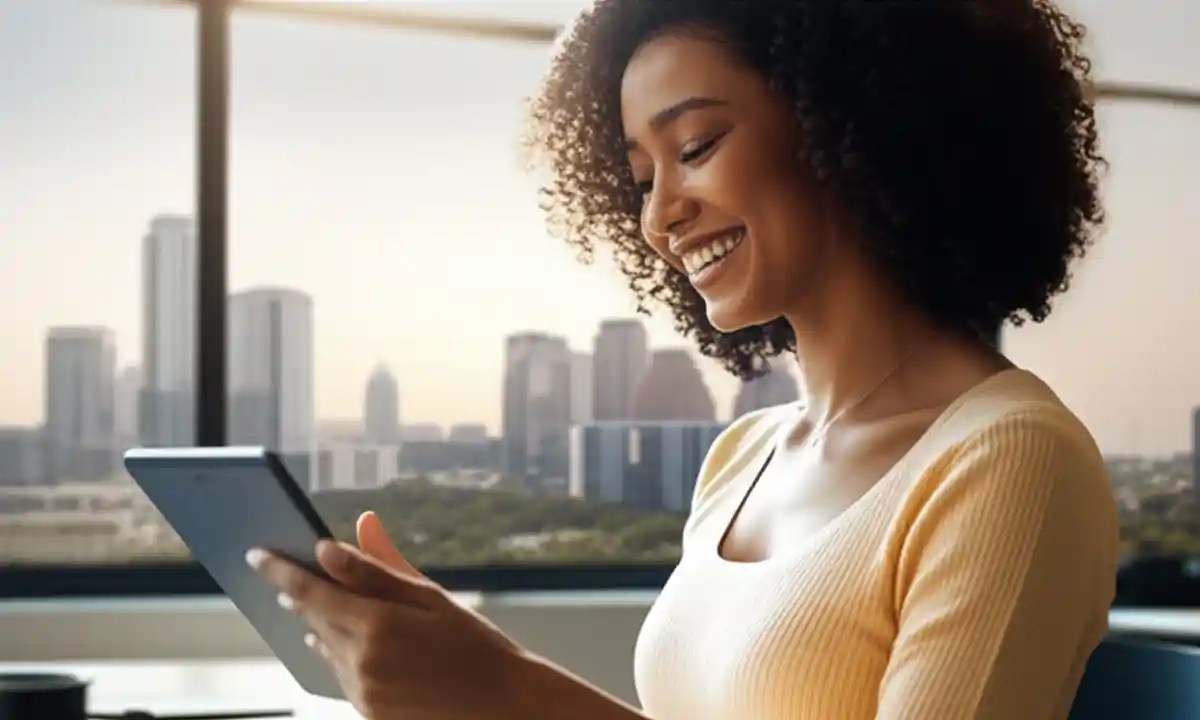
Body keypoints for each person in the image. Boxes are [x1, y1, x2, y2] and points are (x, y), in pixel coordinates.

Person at [248, 0, 1120, 717]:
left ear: (852, 121)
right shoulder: (741, 460)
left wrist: (508, 695)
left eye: (696, 146)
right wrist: (465, 678)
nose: (660, 215)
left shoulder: (1011, 461)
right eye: (639, 178)